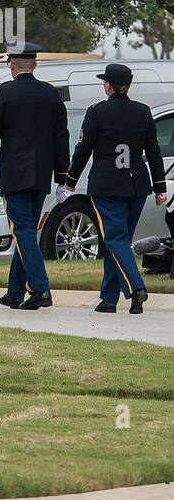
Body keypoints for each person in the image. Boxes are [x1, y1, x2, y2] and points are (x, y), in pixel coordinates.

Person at [62, 63, 168, 314]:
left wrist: (70, 181)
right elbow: (153, 152)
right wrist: (159, 186)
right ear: (128, 86)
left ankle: (136, 288)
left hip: (107, 184)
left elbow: (82, 150)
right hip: (136, 184)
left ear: (108, 85)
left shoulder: (97, 112)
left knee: (115, 239)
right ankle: (109, 299)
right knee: (119, 240)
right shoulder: (143, 112)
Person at [0, 41, 70, 310]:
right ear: (35, 65)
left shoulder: (3, 93)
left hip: (15, 173)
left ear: (11, 65)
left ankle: (40, 289)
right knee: (25, 231)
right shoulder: (52, 95)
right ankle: (15, 291)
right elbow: (62, 138)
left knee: (22, 230)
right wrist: (63, 176)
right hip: (41, 175)